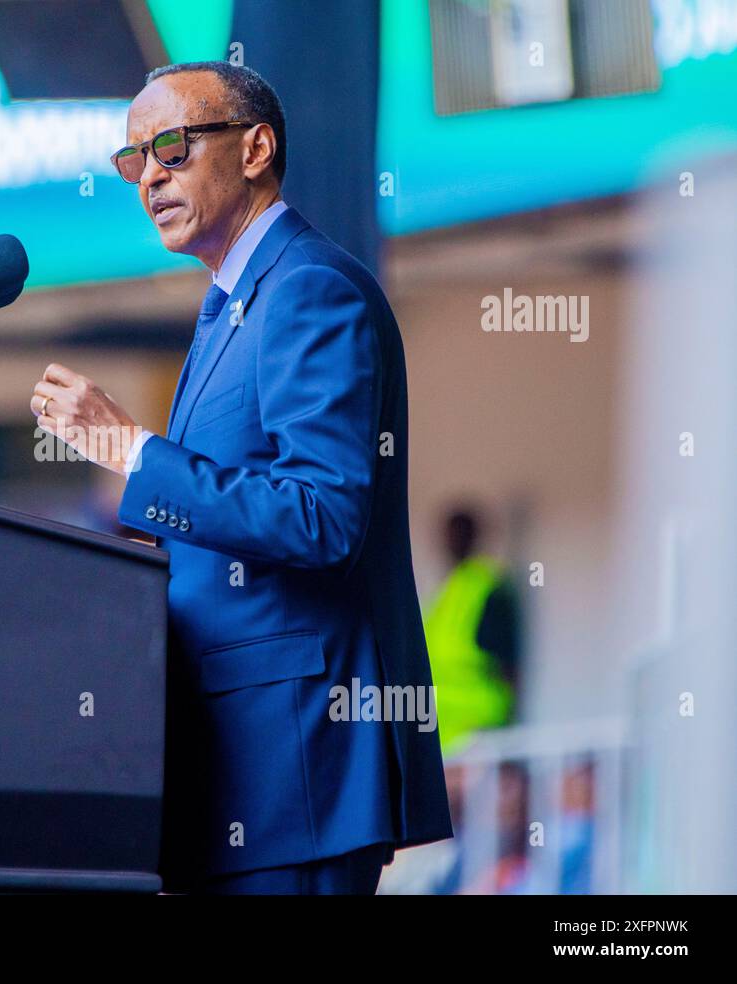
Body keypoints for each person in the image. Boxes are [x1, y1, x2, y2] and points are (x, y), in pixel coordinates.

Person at [28, 62, 452, 893]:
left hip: (294, 764)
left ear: (255, 147)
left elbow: (321, 516)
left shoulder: (308, 289)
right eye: (134, 159)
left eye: (173, 147)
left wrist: (130, 451)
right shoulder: (233, 302)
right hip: (232, 765)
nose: (149, 174)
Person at [423, 507, 520, 754]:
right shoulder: (446, 591)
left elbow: (509, 665)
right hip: (444, 733)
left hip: (479, 729)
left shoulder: (488, 586)